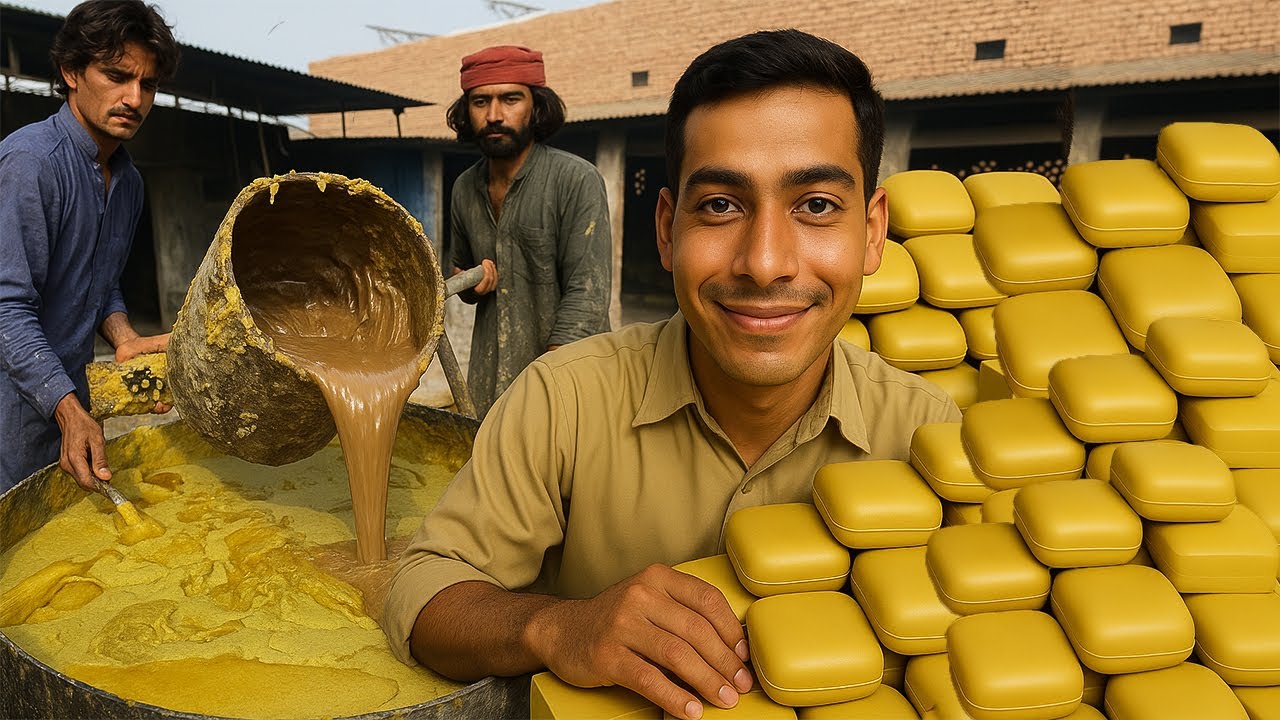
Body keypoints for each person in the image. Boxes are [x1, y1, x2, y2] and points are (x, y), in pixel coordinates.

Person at [386, 29, 961, 720]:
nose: (765, 264)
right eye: (720, 205)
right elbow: (423, 591)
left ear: (871, 233)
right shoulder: (560, 403)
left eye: (815, 206)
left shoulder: (930, 438)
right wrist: (558, 625)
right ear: (666, 229)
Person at [0, 0, 179, 493]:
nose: (134, 98)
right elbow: (7, 308)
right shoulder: (30, 163)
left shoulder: (128, 182)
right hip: (12, 411)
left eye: (148, 84)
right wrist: (67, 408)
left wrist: (124, 337)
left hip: (70, 406)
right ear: (71, 72)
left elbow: (99, 281)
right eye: (117, 76)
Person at [444, 45, 612, 416]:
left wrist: (547, 386)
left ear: (536, 107)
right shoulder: (464, 188)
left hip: (568, 382)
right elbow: (459, 271)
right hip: (489, 382)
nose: (494, 115)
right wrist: (471, 283)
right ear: (466, 111)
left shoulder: (576, 179)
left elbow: (587, 295)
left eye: (511, 99)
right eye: (480, 102)